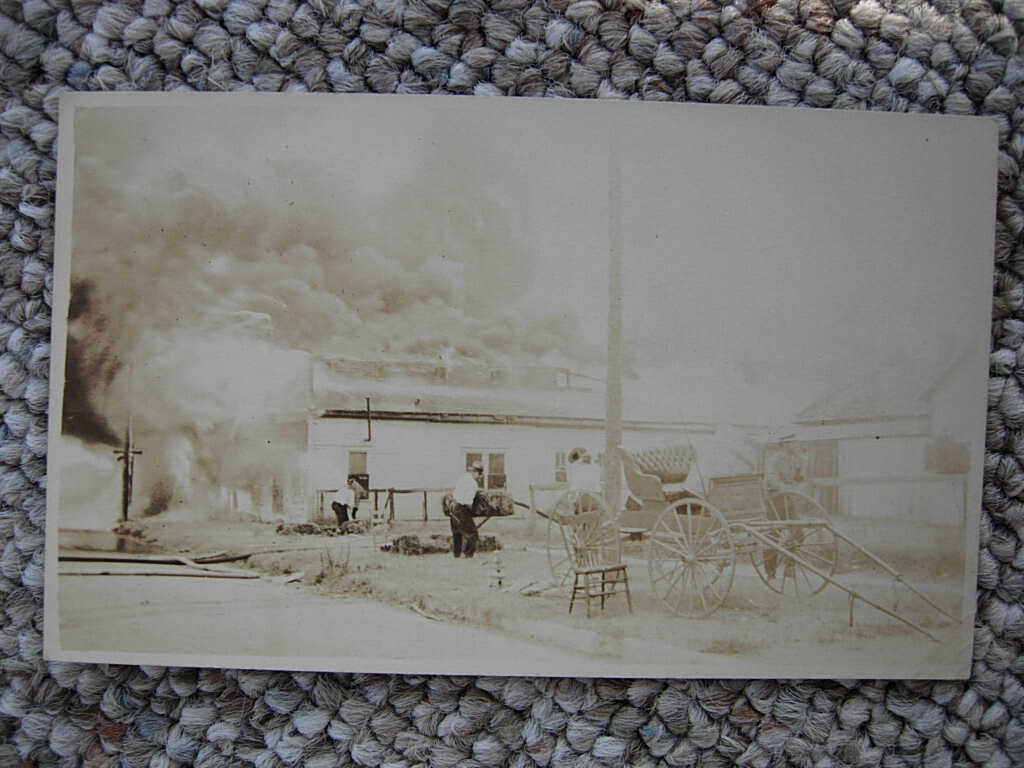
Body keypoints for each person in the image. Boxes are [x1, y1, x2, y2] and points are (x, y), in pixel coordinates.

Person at [450, 461, 483, 558]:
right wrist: (474, 510)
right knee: (472, 532)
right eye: (479, 475)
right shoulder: (473, 483)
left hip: (452, 506)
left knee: (457, 533)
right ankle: (468, 555)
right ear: (475, 472)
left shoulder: (464, 476)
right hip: (460, 508)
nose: (479, 477)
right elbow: (468, 502)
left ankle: (456, 555)